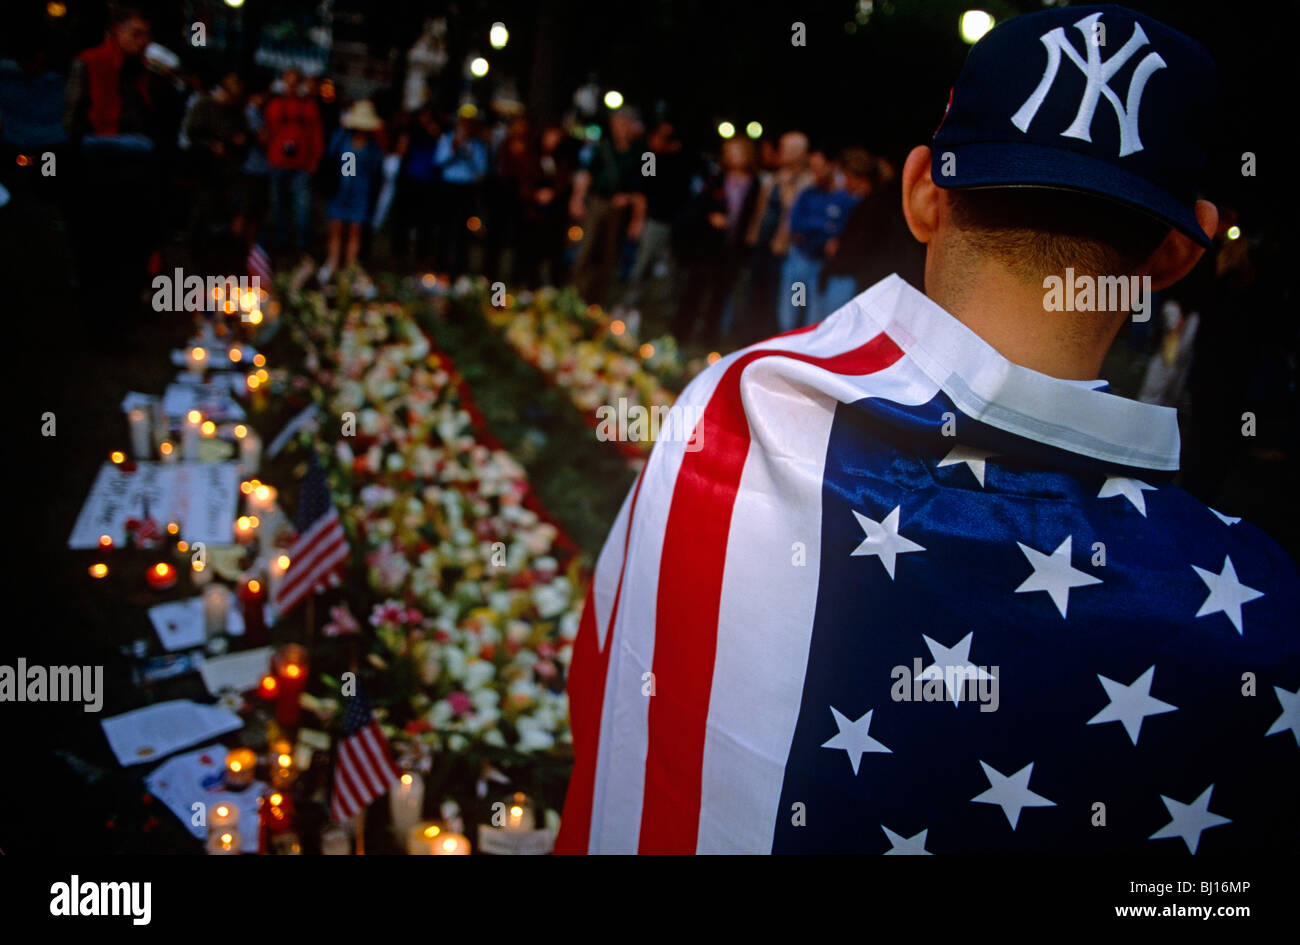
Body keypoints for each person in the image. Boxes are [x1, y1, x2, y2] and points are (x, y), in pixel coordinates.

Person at [557, 4, 1298, 854]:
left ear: (920, 193)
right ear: (1179, 251)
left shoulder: (724, 421)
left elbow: (605, 700)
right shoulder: (1254, 622)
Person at [570, 107, 644, 306]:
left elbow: (646, 186)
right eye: (616, 124)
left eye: (624, 124)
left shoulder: (643, 154)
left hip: (620, 211)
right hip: (598, 202)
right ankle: (576, 296)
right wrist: (577, 198)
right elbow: (587, 174)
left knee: (609, 256)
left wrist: (634, 212)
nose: (620, 129)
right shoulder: (602, 147)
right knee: (586, 249)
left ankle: (597, 302)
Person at [319, 100, 384, 289]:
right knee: (337, 228)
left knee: (355, 230)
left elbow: (375, 171)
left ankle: (349, 267)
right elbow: (331, 158)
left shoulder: (373, 148)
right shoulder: (342, 138)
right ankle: (332, 263)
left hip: (361, 193)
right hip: (341, 189)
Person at [263, 68, 323, 258]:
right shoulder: (275, 103)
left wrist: (314, 159)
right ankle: (280, 243)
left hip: (302, 164)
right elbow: (269, 129)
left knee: (302, 205)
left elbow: (316, 134)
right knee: (278, 204)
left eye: (295, 81)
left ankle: (301, 246)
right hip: (278, 161)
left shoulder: (309, 106)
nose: (291, 85)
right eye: (288, 81)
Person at [432, 113, 488, 276]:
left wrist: (466, 152)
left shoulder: (477, 146)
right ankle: (440, 266)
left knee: (463, 231)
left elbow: (481, 172)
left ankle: (459, 269)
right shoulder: (447, 140)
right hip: (448, 187)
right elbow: (438, 162)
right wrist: (453, 149)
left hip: (466, 189)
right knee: (444, 228)